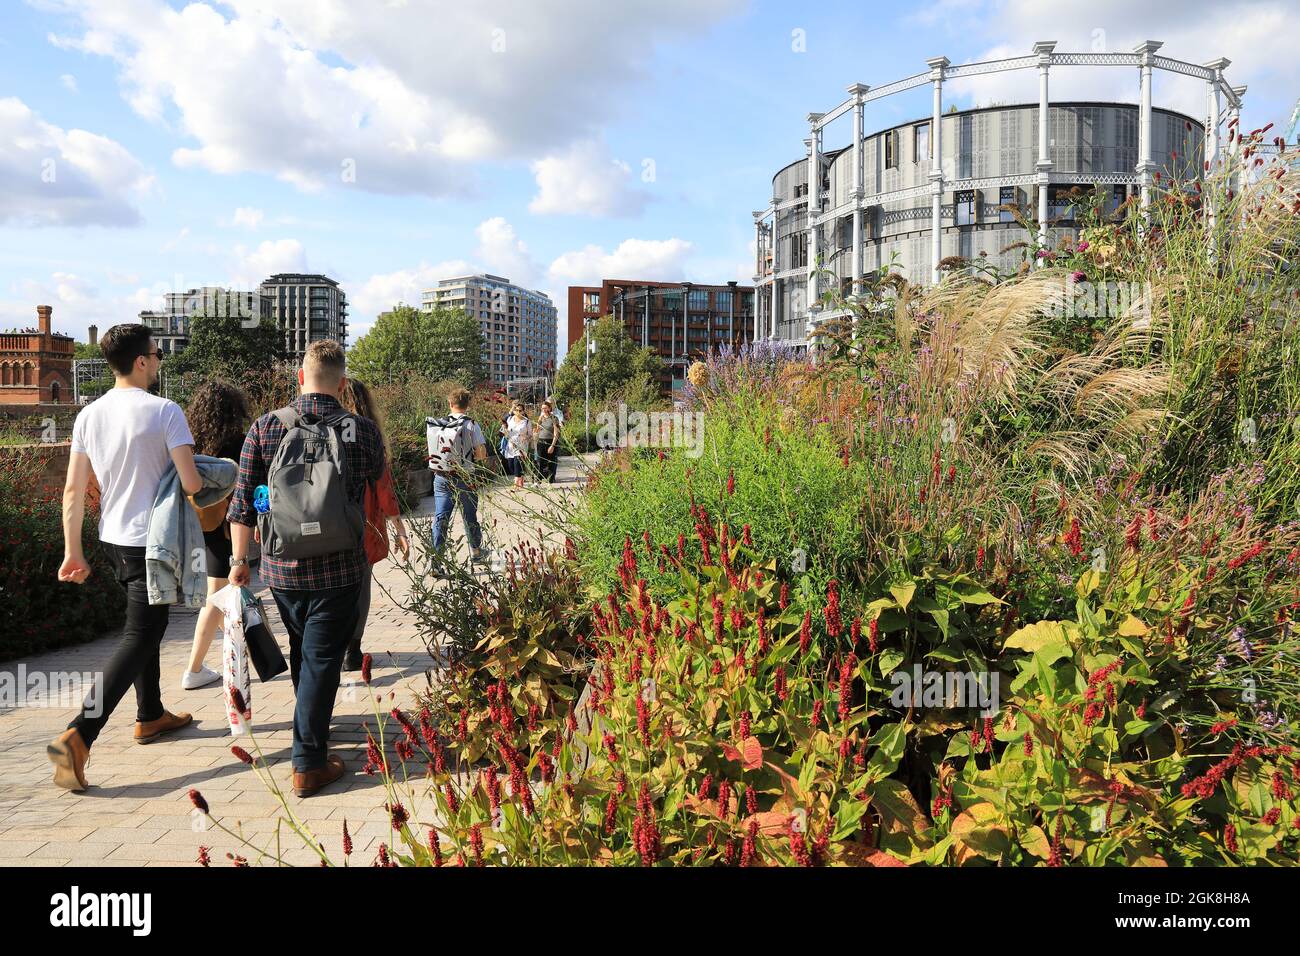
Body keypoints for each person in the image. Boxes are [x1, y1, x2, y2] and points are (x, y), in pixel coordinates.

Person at [226, 340, 384, 797]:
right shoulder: (361, 429)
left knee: (304, 650)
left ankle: (309, 735)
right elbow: (372, 480)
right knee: (320, 659)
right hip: (340, 565)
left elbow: (246, 502)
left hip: (282, 565)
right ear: (341, 382)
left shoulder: (265, 427)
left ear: (301, 377)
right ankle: (309, 761)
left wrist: (240, 561)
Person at [49, 324, 200, 791]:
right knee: (142, 633)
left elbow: (74, 489)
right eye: (156, 354)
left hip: (111, 539)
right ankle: (79, 734)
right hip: (150, 542)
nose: (158, 362)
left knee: (143, 627)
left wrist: (73, 550)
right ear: (141, 360)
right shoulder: (165, 411)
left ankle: (150, 714)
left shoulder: (88, 416)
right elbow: (192, 484)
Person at [180, 381, 250, 690]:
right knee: (216, 598)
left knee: (218, 594)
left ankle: (241, 649)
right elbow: (251, 486)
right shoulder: (239, 442)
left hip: (201, 523)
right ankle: (194, 669)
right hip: (229, 525)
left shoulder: (193, 441)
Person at [339, 379, 410, 671]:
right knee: (360, 586)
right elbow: (383, 485)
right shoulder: (368, 433)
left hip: (322, 519)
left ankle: (331, 646)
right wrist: (398, 527)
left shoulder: (316, 425)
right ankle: (352, 650)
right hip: (364, 521)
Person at [430, 387, 489, 561]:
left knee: (441, 517)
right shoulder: (471, 424)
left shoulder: (439, 423)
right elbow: (481, 454)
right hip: (465, 477)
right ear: (467, 404)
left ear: (450, 403)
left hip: (441, 476)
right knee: (469, 515)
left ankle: (437, 559)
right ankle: (476, 552)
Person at [499, 401, 532, 490]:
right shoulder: (510, 419)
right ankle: (520, 477)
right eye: (516, 410)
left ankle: (515, 485)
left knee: (517, 463)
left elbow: (530, 434)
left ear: (523, 411)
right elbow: (505, 433)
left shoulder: (526, 421)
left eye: (520, 410)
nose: (518, 412)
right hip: (511, 445)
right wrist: (505, 430)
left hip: (522, 446)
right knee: (511, 465)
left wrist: (525, 437)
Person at [534, 400, 561, 484]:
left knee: (551, 462)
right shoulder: (541, 418)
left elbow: (556, 433)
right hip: (541, 442)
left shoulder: (554, 418)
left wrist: (552, 445)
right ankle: (538, 481)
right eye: (542, 408)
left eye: (545, 408)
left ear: (549, 408)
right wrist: (535, 430)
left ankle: (551, 481)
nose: (543, 410)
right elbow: (538, 430)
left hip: (551, 442)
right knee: (540, 461)